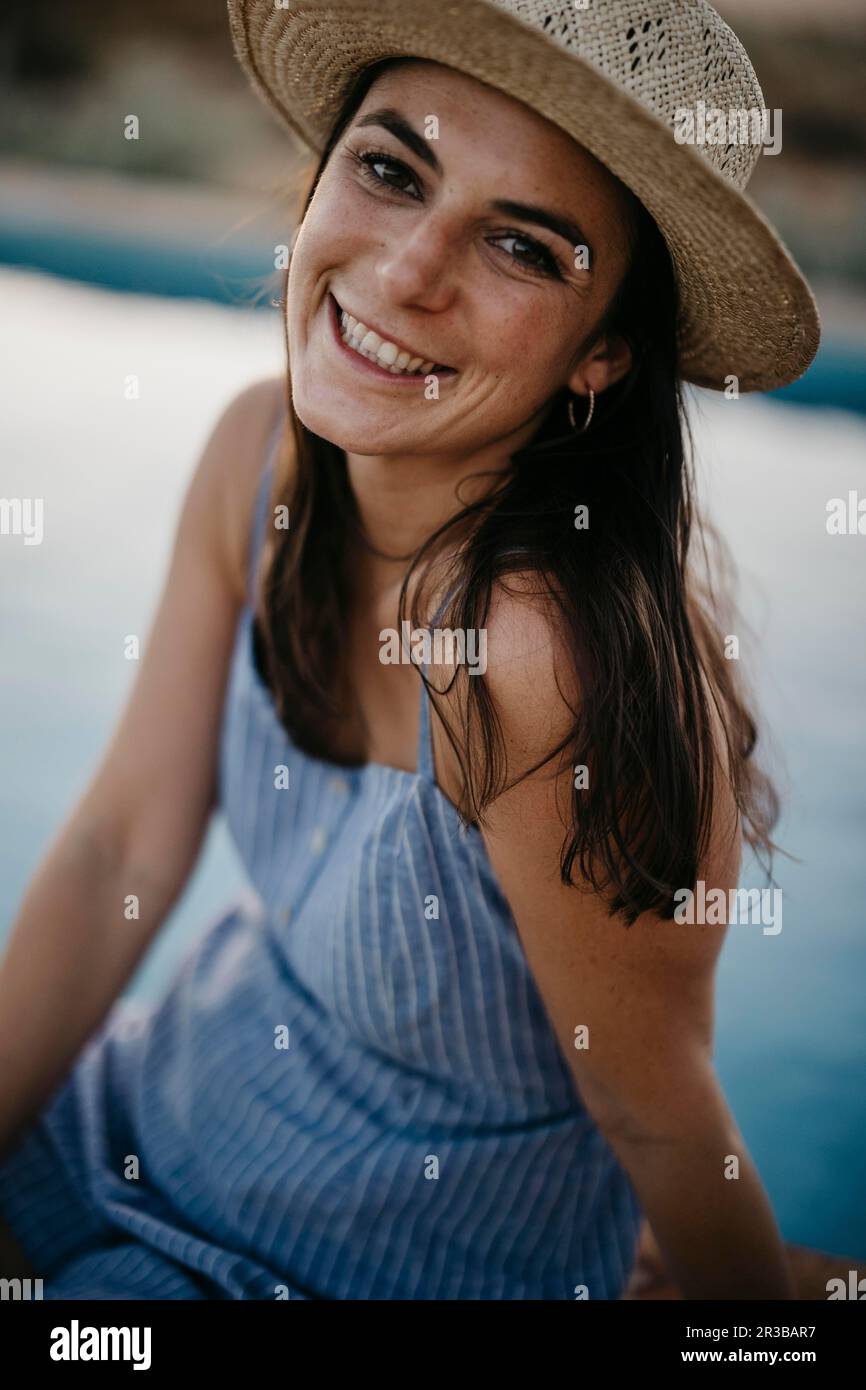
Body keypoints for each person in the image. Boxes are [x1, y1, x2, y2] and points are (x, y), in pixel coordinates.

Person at [0, 0, 819, 1299]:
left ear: (601, 351)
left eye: (520, 246)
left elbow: (661, 1114)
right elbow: (121, 841)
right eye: (390, 170)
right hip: (146, 1119)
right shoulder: (252, 458)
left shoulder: (540, 664)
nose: (405, 270)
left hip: (348, 1263)